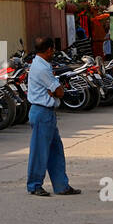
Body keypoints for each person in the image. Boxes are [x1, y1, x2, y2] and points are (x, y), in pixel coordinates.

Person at [25, 37, 81, 197]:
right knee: (40, 151)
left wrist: (55, 90)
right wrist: (55, 91)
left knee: (55, 150)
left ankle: (61, 185)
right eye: (53, 50)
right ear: (49, 49)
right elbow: (59, 91)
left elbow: (56, 90)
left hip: (45, 112)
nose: (54, 53)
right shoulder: (41, 68)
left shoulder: (41, 64)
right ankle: (34, 185)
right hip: (42, 112)